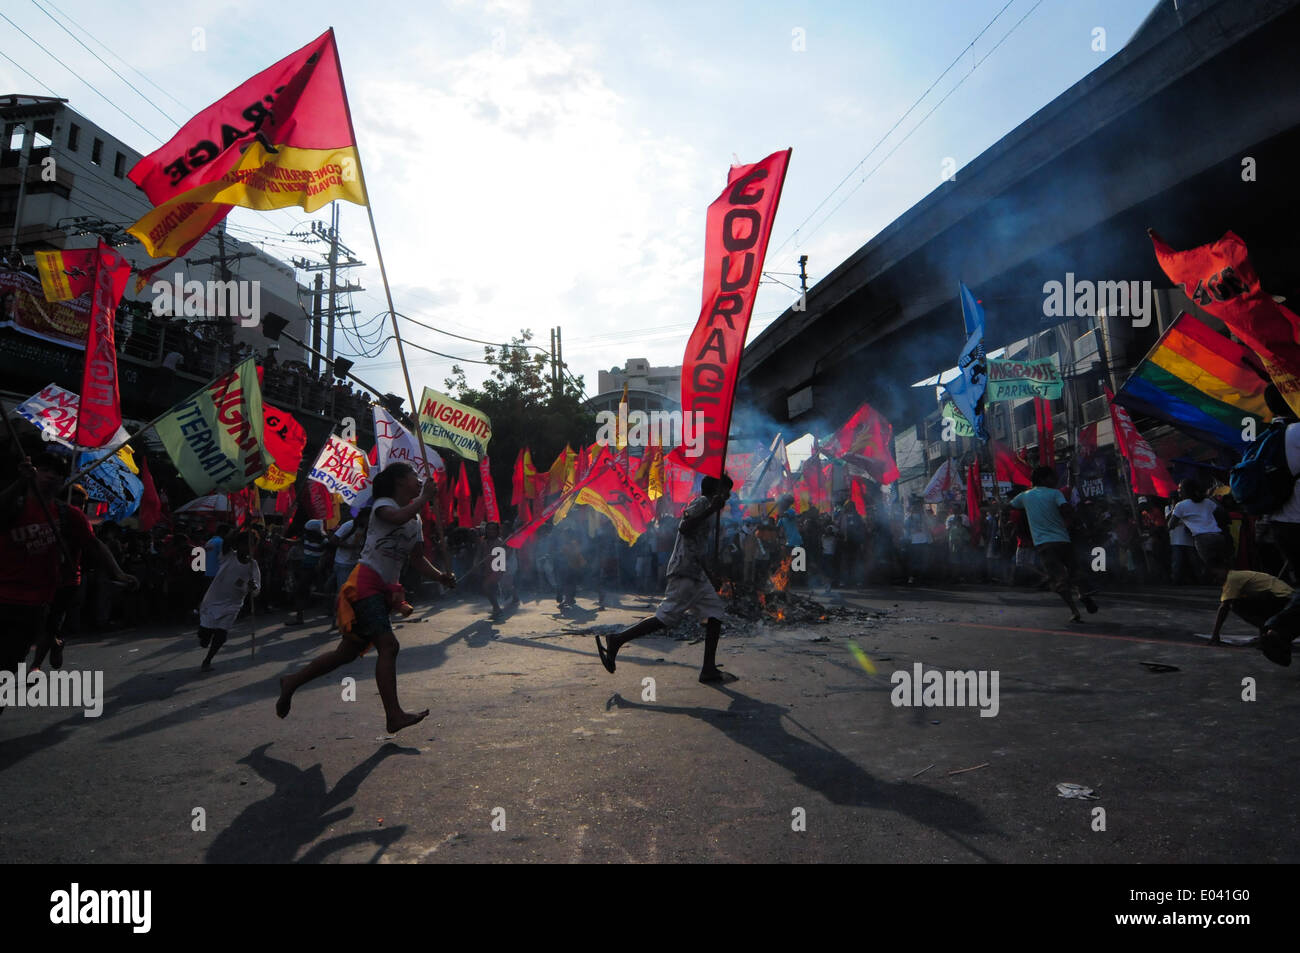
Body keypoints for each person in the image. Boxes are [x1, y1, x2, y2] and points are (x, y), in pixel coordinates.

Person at [276, 463, 456, 733]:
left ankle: (292, 681)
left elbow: (417, 559)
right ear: (398, 481)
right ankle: (393, 715)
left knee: (345, 654)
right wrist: (424, 499)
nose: (419, 481)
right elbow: (396, 517)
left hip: (384, 592)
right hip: (365, 584)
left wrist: (440, 576)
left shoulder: (416, 520)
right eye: (413, 477)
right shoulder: (383, 504)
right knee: (389, 646)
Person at [0, 452, 135, 695]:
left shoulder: (67, 514)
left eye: (57, 474)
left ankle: (38, 663)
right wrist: (20, 482)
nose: (51, 476)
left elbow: (94, 545)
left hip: (37, 601)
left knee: (10, 664)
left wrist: (118, 572)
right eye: (45, 470)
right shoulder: (14, 504)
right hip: (3, 594)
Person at [596, 474, 734, 683]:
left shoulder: (711, 511)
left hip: (696, 574)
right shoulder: (702, 503)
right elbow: (685, 527)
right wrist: (711, 508)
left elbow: (699, 548)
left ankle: (708, 669)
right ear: (717, 490)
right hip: (685, 571)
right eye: (726, 490)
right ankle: (617, 640)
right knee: (665, 618)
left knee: (715, 612)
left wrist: (710, 576)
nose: (729, 495)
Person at [1010, 466, 1098, 623]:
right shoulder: (1055, 493)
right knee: (1074, 571)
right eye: (1052, 477)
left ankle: (1074, 610)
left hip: (1044, 545)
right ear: (1044, 479)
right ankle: (1083, 595)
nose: (1055, 480)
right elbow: (1065, 506)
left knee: (1059, 579)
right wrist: (1074, 518)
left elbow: (1008, 506)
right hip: (1063, 541)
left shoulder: (1024, 496)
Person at [197, 530, 261, 671]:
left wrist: (252, 587)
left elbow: (256, 590)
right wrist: (244, 525)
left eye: (251, 545)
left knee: (221, 635)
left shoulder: (253, 565)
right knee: (204, 636)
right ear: (238, 544)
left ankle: (207, 660)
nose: (248, 548)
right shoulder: (227, 556)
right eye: (245, 544)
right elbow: (227, 539)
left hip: (233, 604)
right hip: (213, 600)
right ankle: (205, 635)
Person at [1169, 479, 1231, 586]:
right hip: (1218, 536)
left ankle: (1223, 588)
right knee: (1221, 564)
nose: (1178, 491)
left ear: (1185, 490)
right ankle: (1229, 585)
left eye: (1180, 488)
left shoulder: (1180, 505)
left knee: (1211, 566)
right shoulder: (1207, 501)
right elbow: (1222, 514)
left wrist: (1174, 511)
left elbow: (1171, 525)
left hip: (1203, 539)